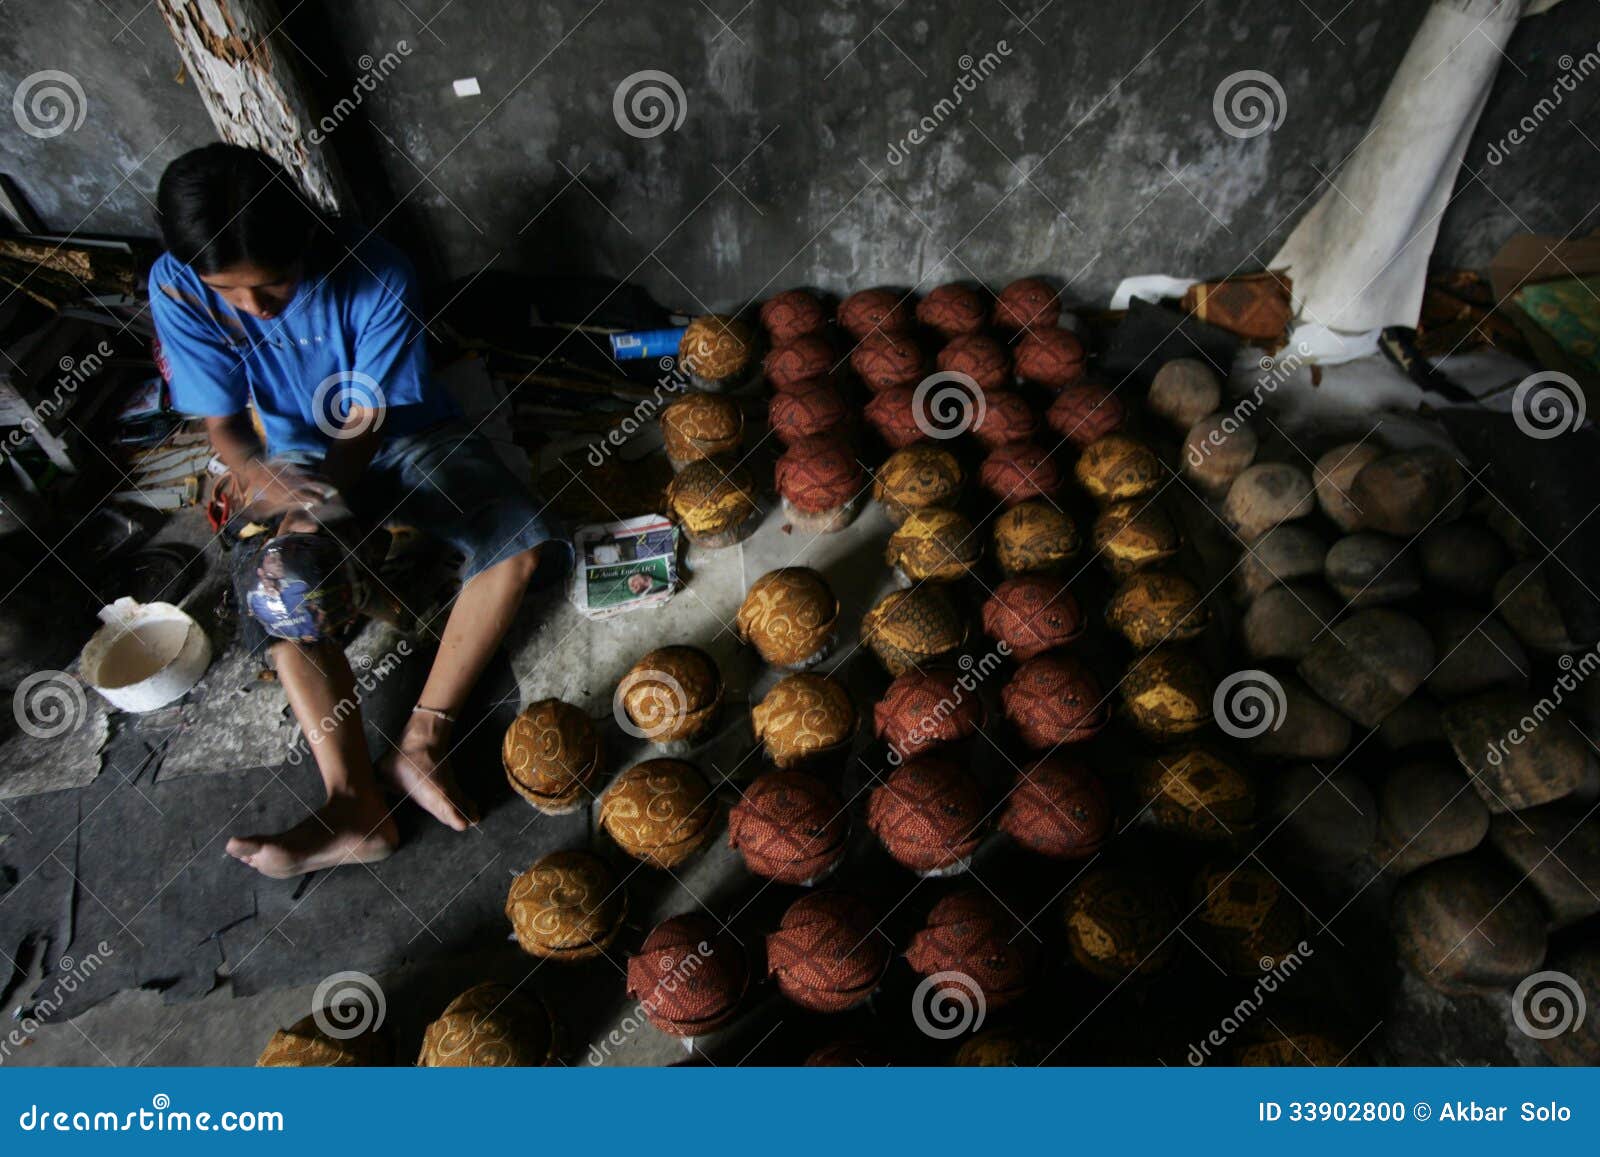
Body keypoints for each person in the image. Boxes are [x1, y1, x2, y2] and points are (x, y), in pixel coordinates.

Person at [149, 144, 568, 879]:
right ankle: (354, 805)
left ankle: (423, 741)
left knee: (519, 544)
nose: (253, 310)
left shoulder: (379, 272)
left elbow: (369, 419)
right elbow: (224, 423)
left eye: (272, 288)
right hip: (290, 459)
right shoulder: (179, 288)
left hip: (401, 435)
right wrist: (263, 478)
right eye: (231, 293)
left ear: (304, 241)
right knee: (282, 586)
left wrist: (328, 510)